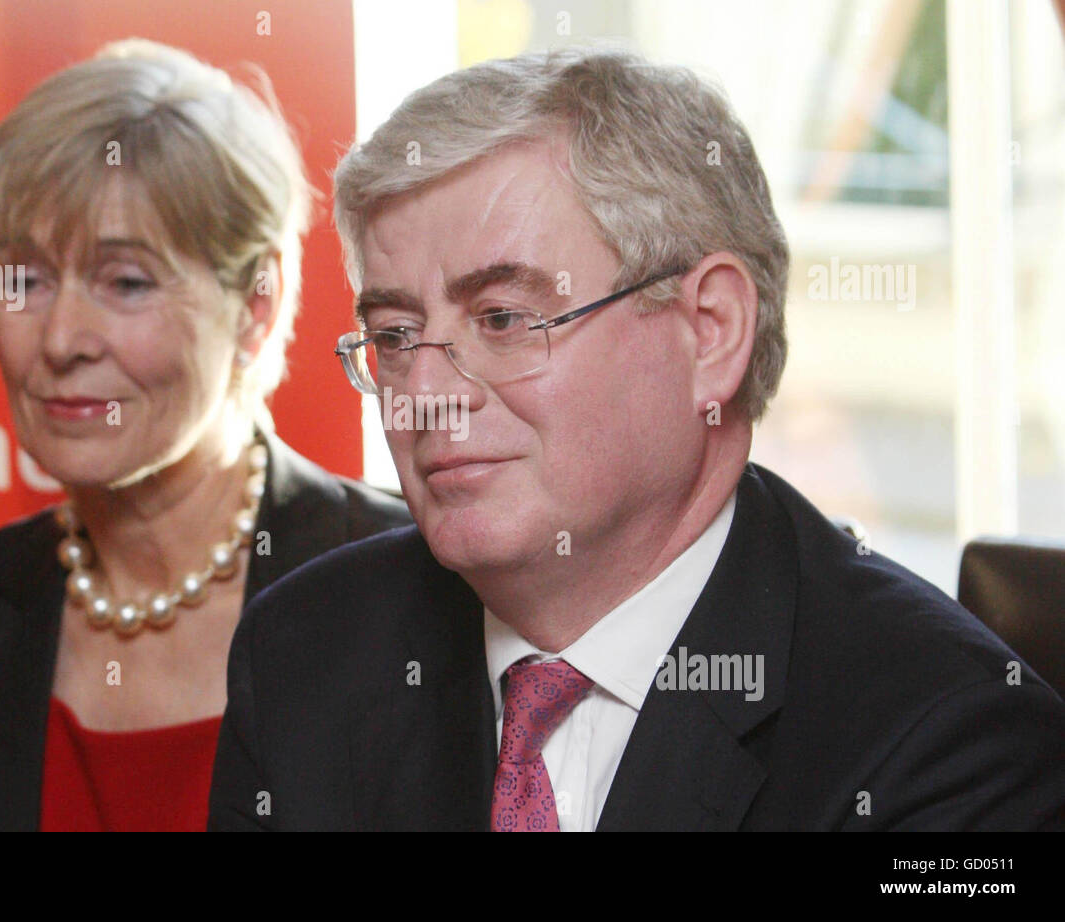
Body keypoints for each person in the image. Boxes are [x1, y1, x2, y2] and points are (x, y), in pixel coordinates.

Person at [208, 48, 1065, 831]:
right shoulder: (305, 651)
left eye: (504, 319)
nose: (425, 398)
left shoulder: (946, 737)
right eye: (394, 335)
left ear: (711, 332)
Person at [0, 38, 411, 831]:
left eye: (126, 281)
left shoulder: (402, 589)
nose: (63, 338)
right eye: (24, 279)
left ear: (255, 307)